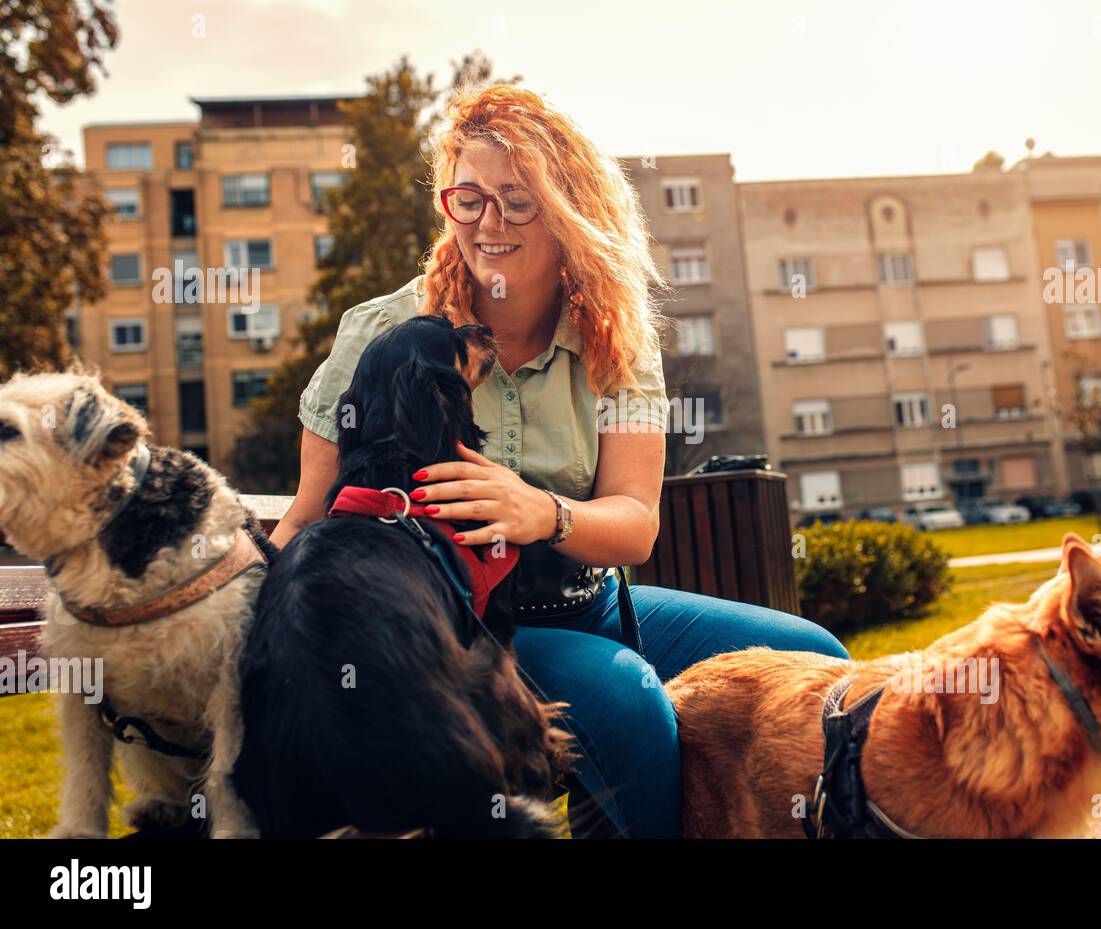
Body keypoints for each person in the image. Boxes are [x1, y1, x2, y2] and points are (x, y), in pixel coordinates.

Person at [273, 82, 849, 838]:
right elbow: (312, 514)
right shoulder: (384, 331)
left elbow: (636, 523)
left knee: (816, 660)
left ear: (569, 211)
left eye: (518, 201)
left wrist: (542, 511)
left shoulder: (616, 338)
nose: (489, 224)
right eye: (469, 198)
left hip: (588, 602)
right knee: (627, 704)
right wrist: (252, 634)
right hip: (455, 625)